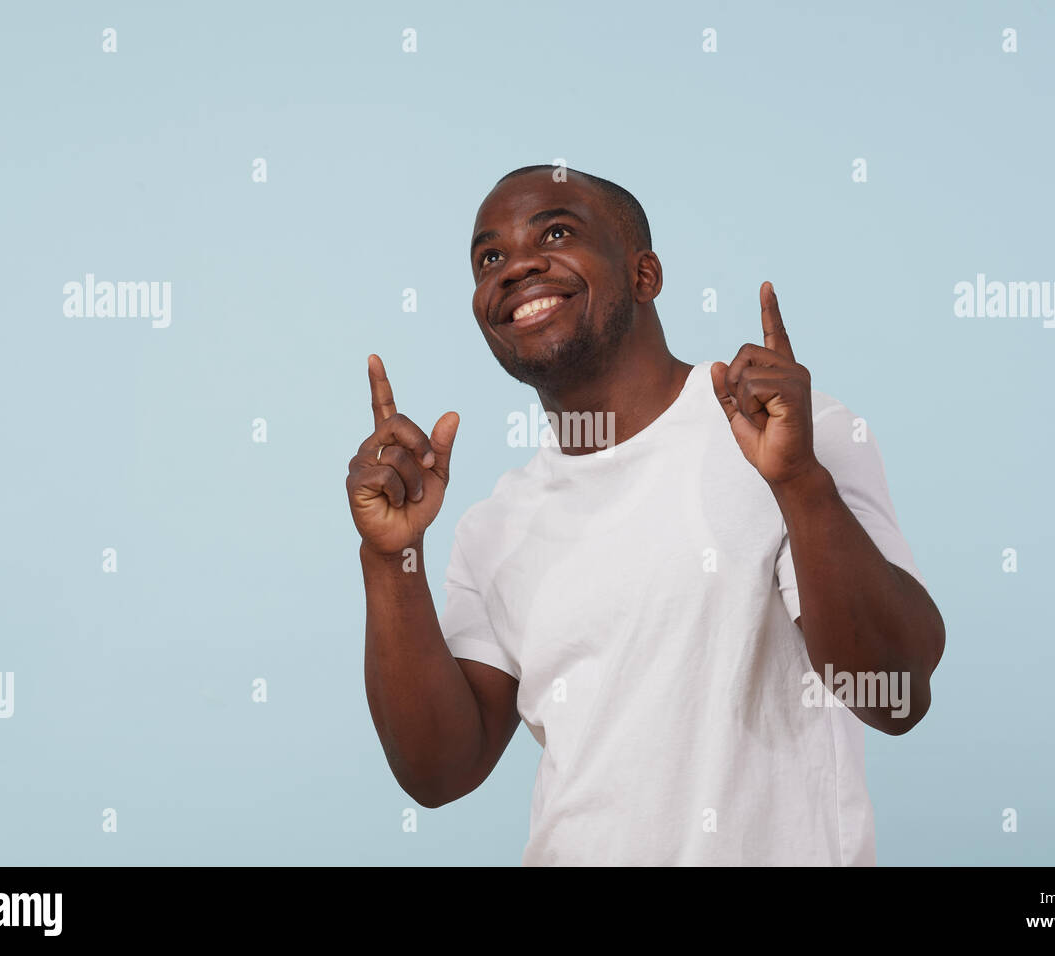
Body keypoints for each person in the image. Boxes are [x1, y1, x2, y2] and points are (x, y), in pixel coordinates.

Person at [347, 165, 946, 865]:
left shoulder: (784, 434)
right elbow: (438, 774)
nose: (516, 268)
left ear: (645, 274)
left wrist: (801, 482)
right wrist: (390, 561)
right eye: (489, 258)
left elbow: (896, 695)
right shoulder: (494, 526)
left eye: (557, 232)